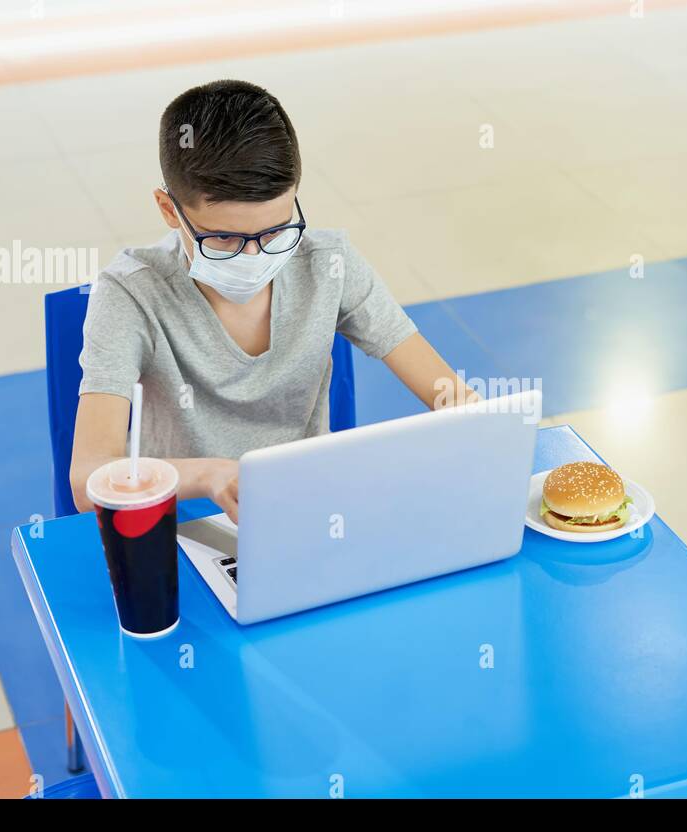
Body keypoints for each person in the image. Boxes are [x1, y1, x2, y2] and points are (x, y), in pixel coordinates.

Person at [69, 79, 477, 523]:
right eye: (223, 238)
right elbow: (89, 478)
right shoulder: (130, 293)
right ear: (170, 210)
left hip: (311, 511)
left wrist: (477, 429)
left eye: (275, 232)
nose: (254, 256)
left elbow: (450, 396)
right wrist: (212, 476)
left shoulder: (328, 265)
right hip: (182, 523)